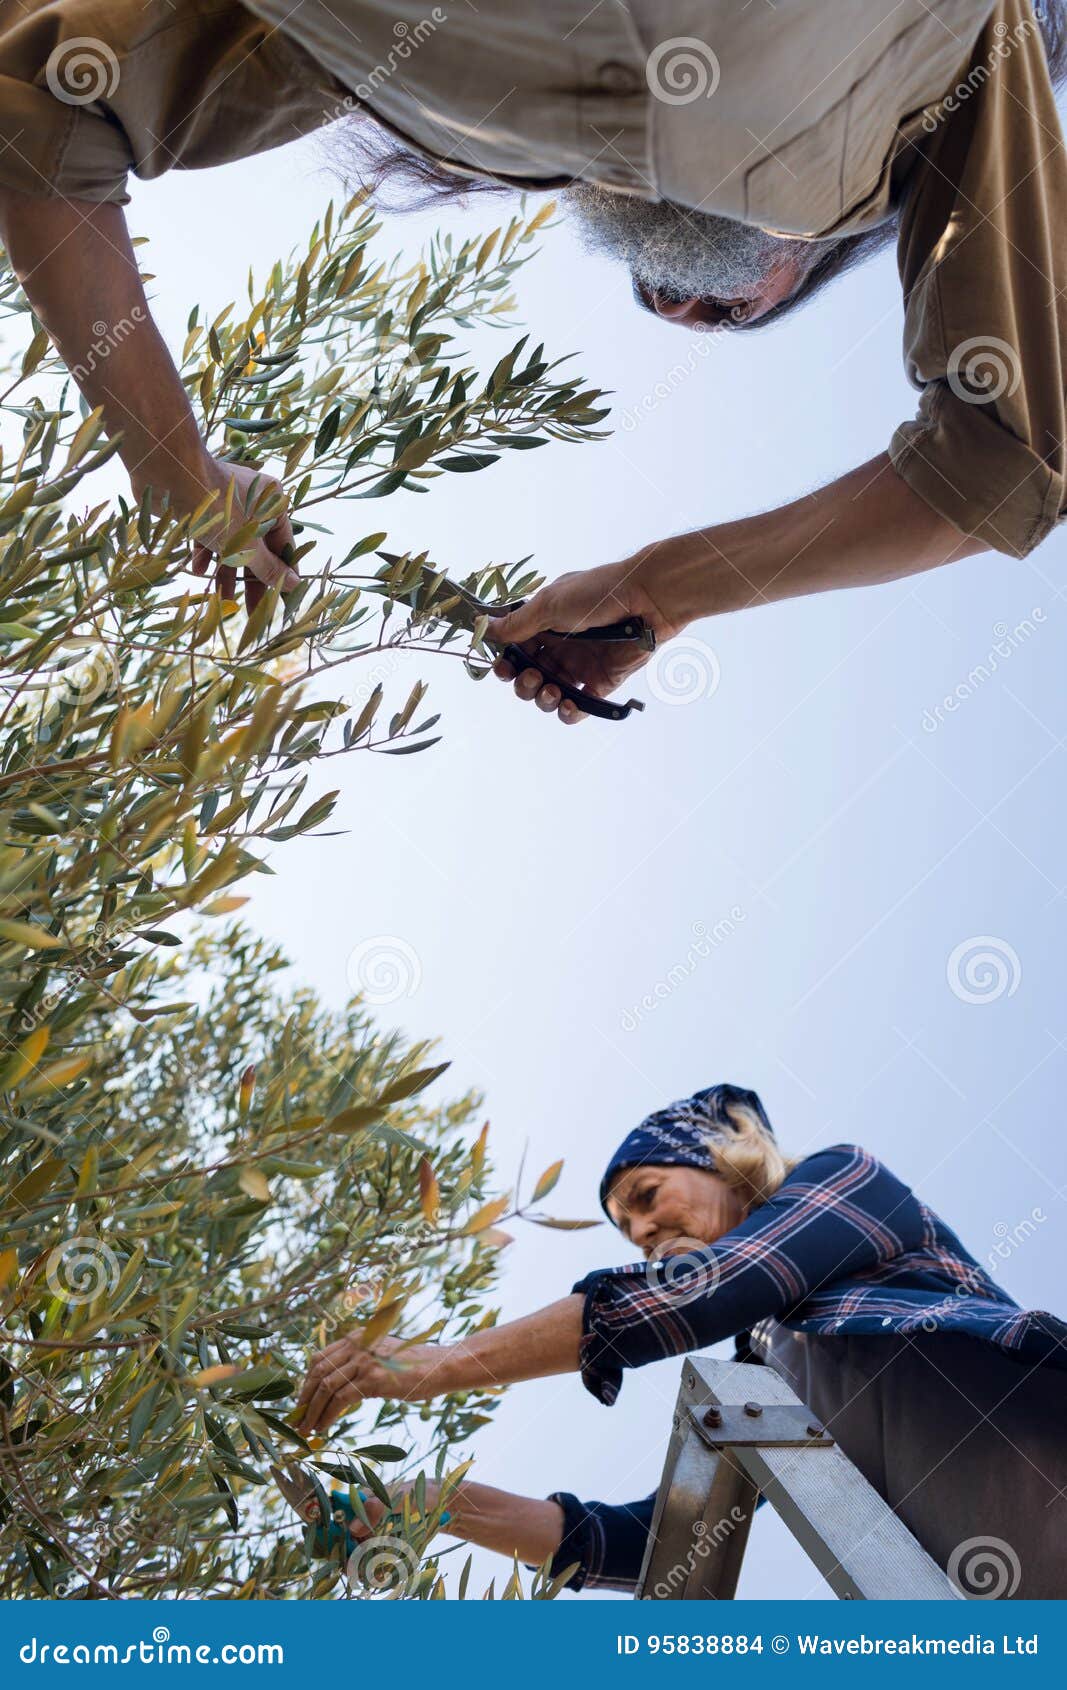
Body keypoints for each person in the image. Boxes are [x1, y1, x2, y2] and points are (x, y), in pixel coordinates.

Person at [1, 3, 1065, 669]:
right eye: (728, 304)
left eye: (671, 295)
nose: (674, 301)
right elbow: (1004, 460)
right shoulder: (973, 42)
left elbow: (41, 107)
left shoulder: (420, 60)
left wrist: (180, 472)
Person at [293, 1084, 1067, 1597]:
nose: (642, 1231)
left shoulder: (848, 1180)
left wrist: (432, 1366)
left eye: (646, 1195)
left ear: (721, 1154)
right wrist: (435, 1505)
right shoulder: (768, 1373)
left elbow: (706, 1290)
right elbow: (660, 1540)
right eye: (626, 1230)